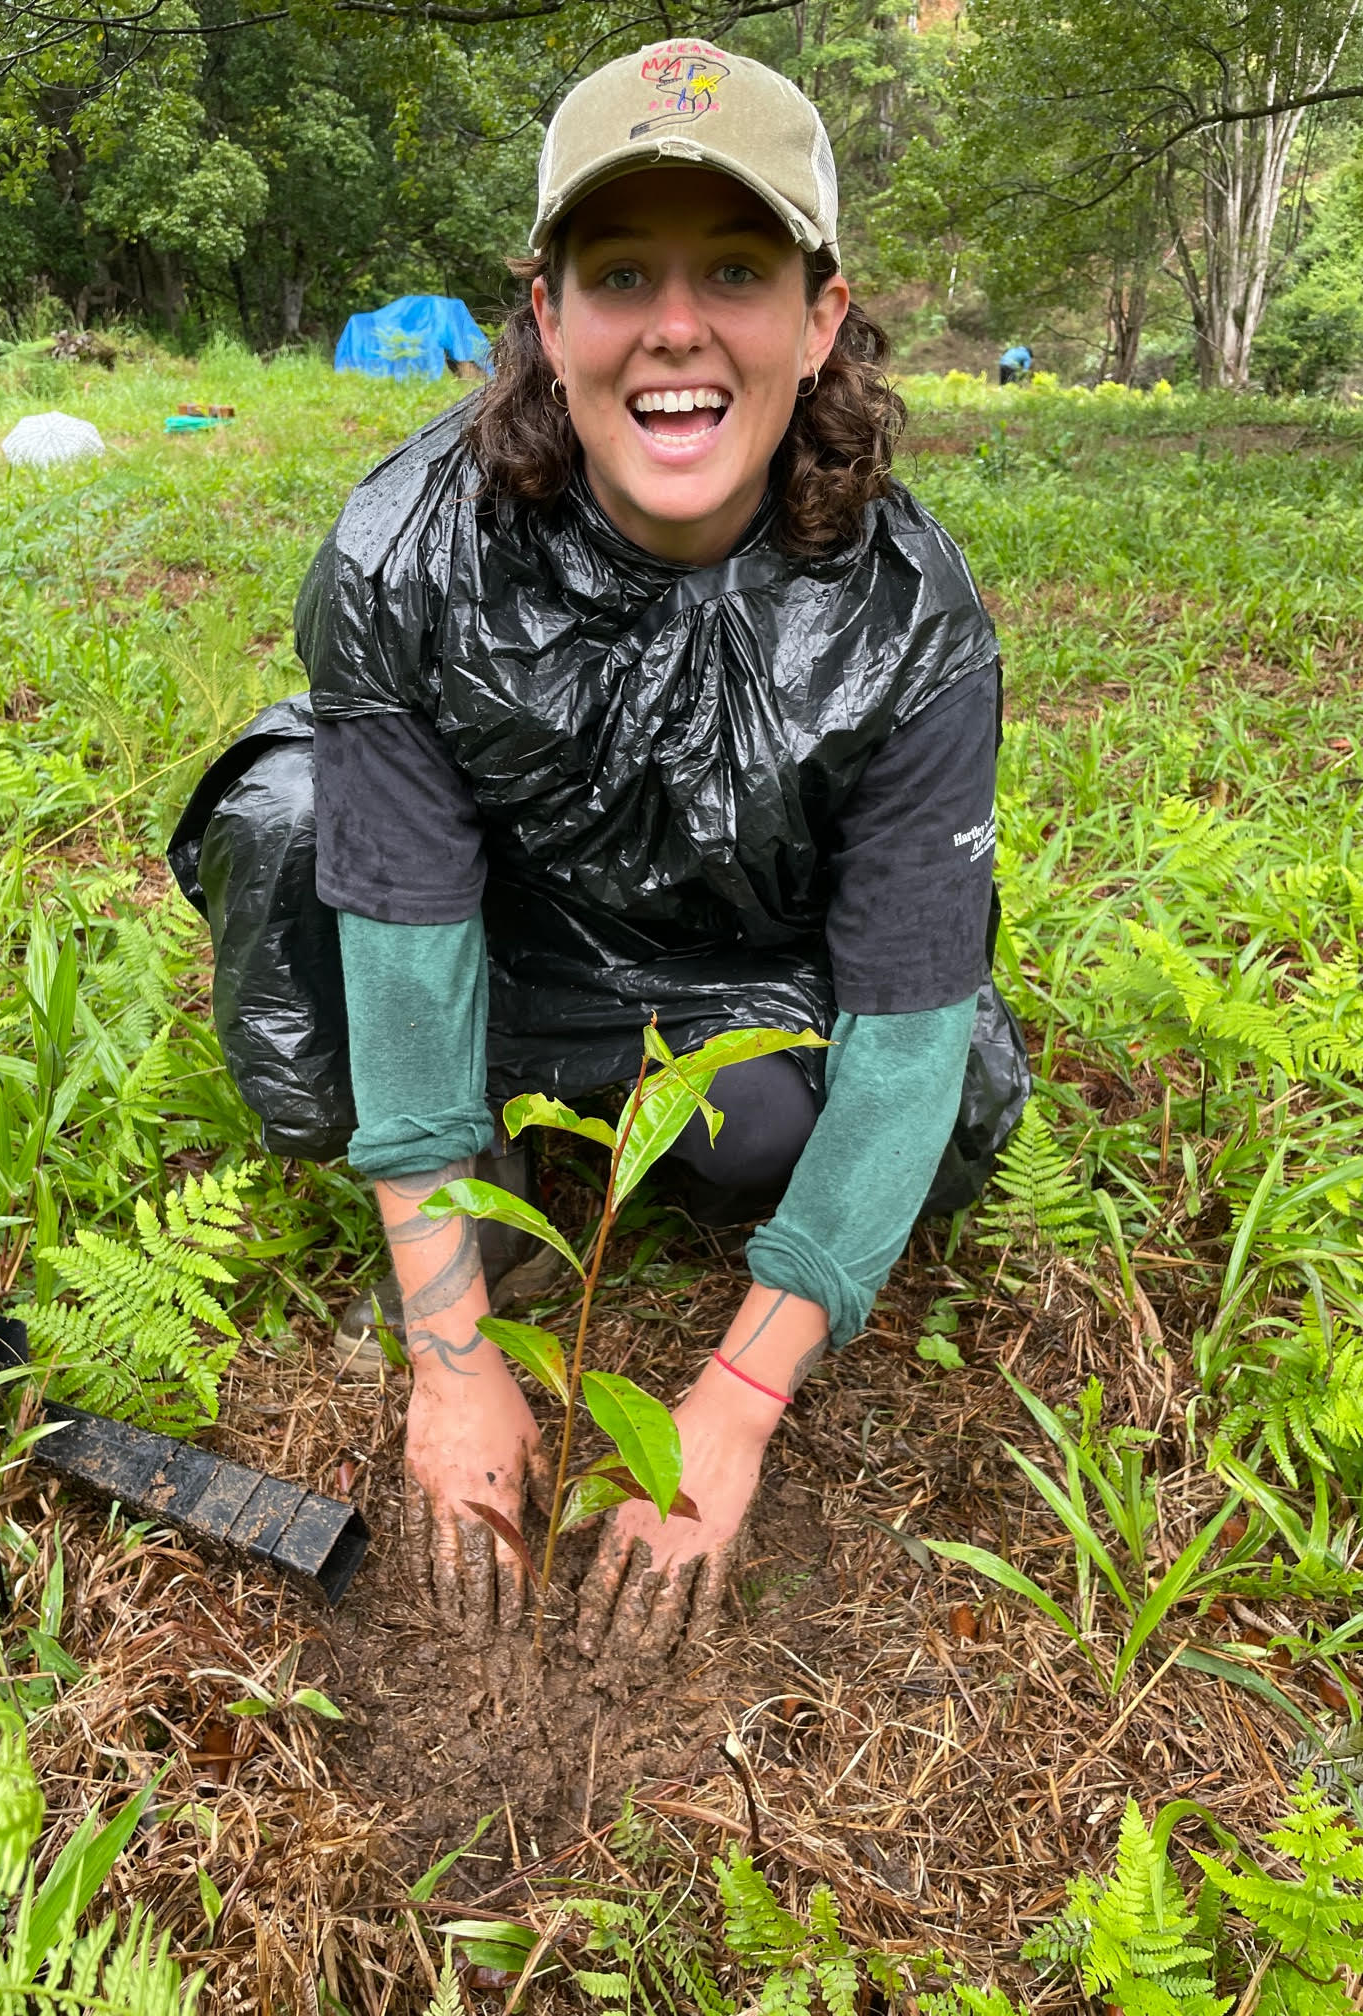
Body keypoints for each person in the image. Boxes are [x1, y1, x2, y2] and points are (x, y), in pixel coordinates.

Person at [296, 41, 1005, 1662]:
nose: (676, 326)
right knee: (291, 872)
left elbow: (908, 1025)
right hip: (505, 951)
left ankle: (594, 1139)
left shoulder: (914, 624)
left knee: (826, 1125)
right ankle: (481, 1176)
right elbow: (401, 935)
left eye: (735, 272)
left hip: (731, 977)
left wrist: (732, 1411)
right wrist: (452, 1358)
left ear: (820, 319)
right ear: (548, 318)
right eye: (621, 274)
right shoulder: (405, 558)